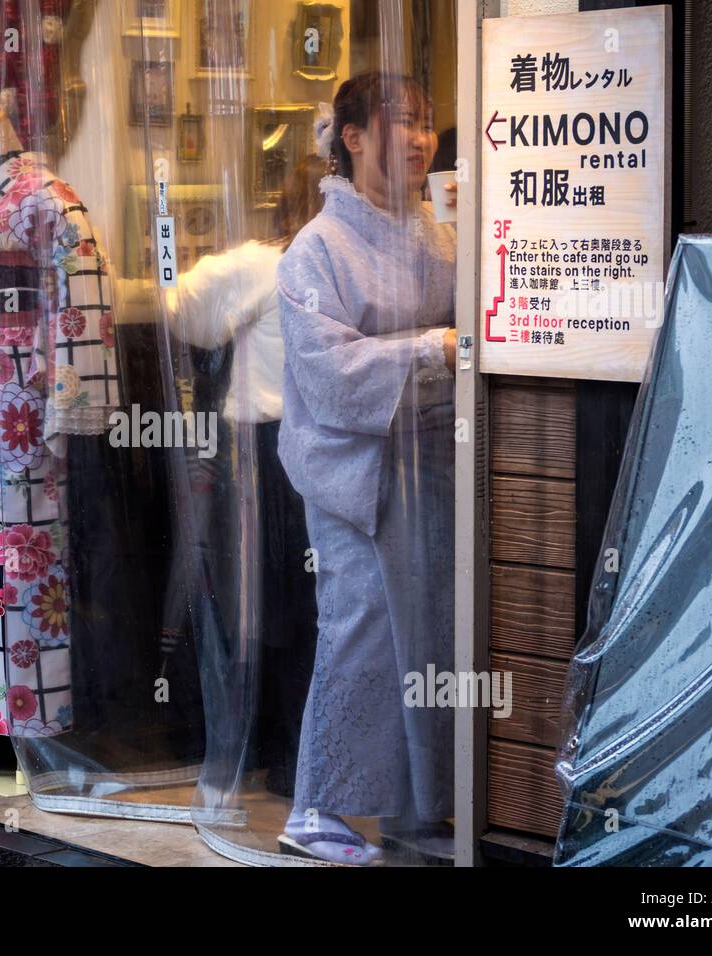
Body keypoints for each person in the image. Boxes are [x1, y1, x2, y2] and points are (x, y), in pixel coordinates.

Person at [275, 72, 457, 865]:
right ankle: (318, 809)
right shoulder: (316, 247)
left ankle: (421, 800)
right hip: (354, 473)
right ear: (352, 138)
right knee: (360, 630)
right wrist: (434, 351)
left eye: (425, 124)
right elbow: (329, 374)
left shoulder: (435, 232)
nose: (419, 139)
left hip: (432, 465)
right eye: (400, 124)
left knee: (429, 637)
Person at [161, 156, 327, 796]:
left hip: (296, 446)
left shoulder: (288, 263)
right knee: (286, 605)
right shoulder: (267, 263)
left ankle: (285, 750)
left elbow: (181, 304)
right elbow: (179, 303)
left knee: (288, 605)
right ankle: (284, 750)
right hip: (270, 449)